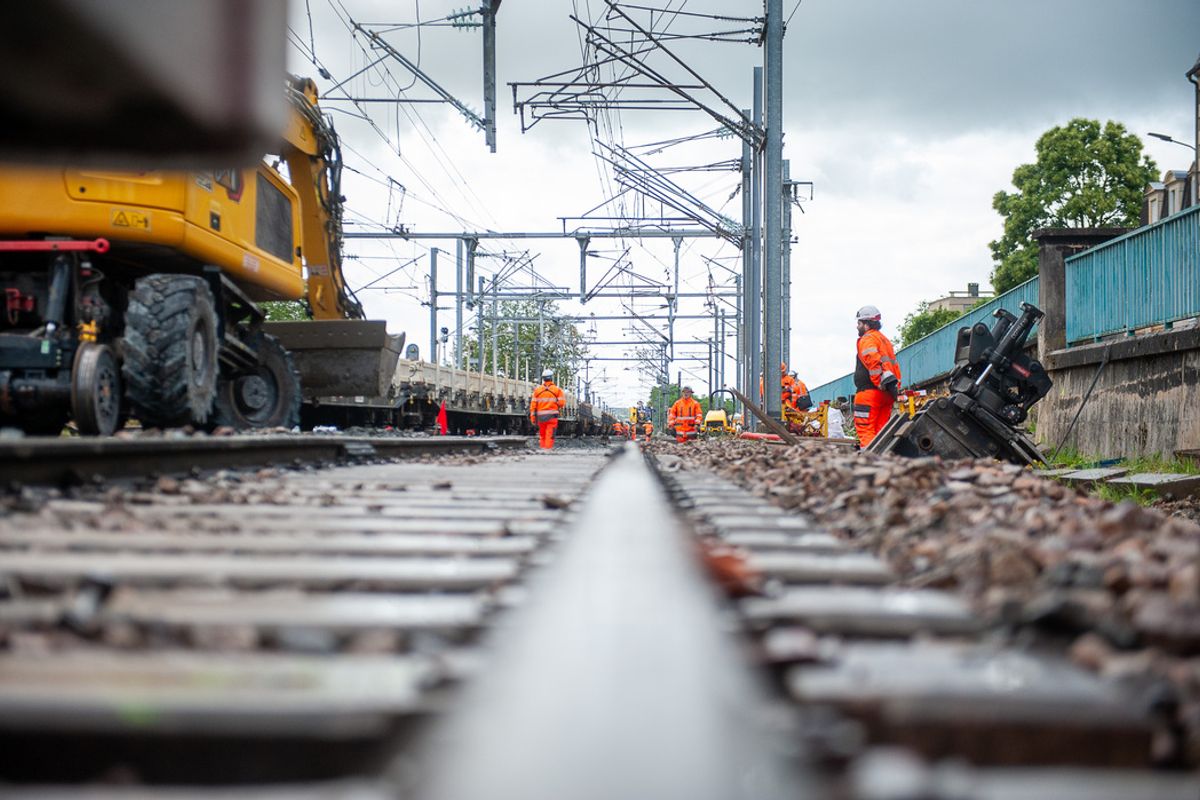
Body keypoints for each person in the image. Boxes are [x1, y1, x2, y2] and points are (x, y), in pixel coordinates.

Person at [852, 305, 901, 448]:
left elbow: (873, 360)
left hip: (870, 393)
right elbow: (894, 367)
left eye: (859, 323)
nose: (857, 327)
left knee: (866, 430)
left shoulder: (867, 339)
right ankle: (883, 463)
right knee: (881, 433)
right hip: (886, 394)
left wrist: (878, 382)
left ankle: (869, 463)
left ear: (867, 325)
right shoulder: (884, 340)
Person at [529, 369, 566, 450]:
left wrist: (533, 418)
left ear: (543, 378)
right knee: (550, 434)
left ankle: (543, 449)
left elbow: (533, 405)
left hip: (540, 417)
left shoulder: (537, 390)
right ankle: (548, 450)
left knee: (542, 434)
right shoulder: (557, 390)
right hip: (552, 417)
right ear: (552, 378)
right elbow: (562, 403)